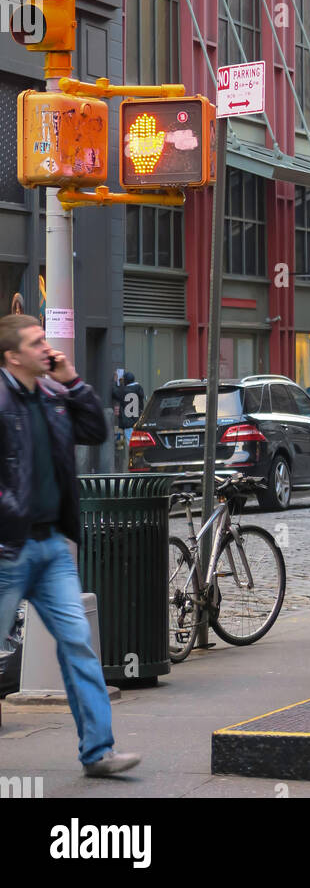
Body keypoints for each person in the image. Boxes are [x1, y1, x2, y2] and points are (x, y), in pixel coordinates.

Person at [0, 314, 140, 777]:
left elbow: (96, 431)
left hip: (52, 548)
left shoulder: (56, 396)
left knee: (78, 642)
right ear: (12, 355)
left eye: (46, 339)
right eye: (36, 342)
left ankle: (98, 752)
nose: (47, 347)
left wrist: (74, 381)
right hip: (8, 551)